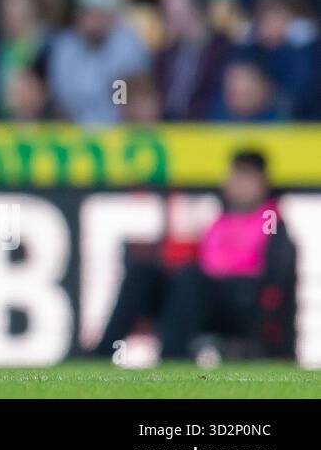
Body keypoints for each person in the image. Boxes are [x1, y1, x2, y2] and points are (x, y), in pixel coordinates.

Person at [94, 150, 296, 361]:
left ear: (263, 183)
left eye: (247, 178)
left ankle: (172, 358)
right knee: (143, 274)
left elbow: (275, 269)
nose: (239, 185)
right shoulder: (221, 217)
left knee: (191, 279)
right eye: (235, 177)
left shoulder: (269, 217)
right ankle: (102, 354)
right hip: (201, 294)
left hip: (242, 302)